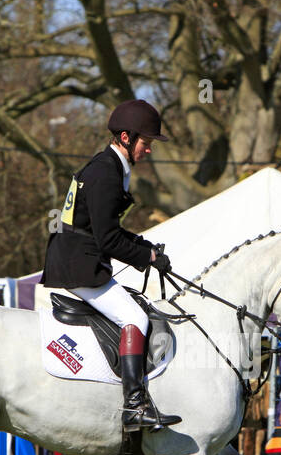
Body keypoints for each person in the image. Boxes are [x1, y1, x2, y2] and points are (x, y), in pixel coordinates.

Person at [41, 99, 181, 433]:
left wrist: (143, 246)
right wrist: (145, 257)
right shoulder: (106, 172)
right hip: (79, 263)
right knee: (135, 316)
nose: (148, 150)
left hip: (78, 255)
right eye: (145, 143)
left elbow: (107, 230)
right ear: (126, 137)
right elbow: (106, 240)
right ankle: (134, 405)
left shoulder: (108, 165)